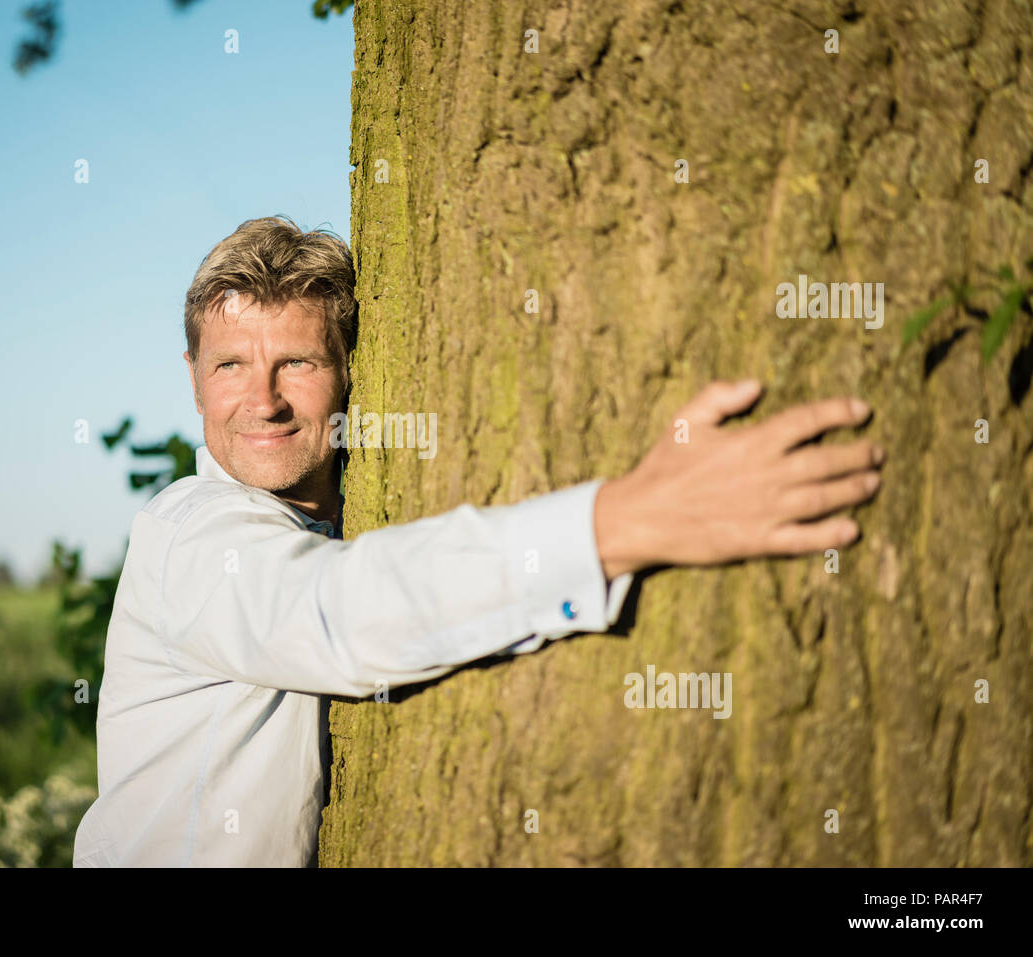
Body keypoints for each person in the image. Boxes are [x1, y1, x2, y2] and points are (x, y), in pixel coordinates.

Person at [73, 215, 883, 867]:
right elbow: (337, 613)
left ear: (350, 370)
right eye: (228, 367)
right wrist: (623, 522)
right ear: (190, 376)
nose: (265, 400)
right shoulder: (189, 535)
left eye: (297, 363)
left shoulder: (331, 516)